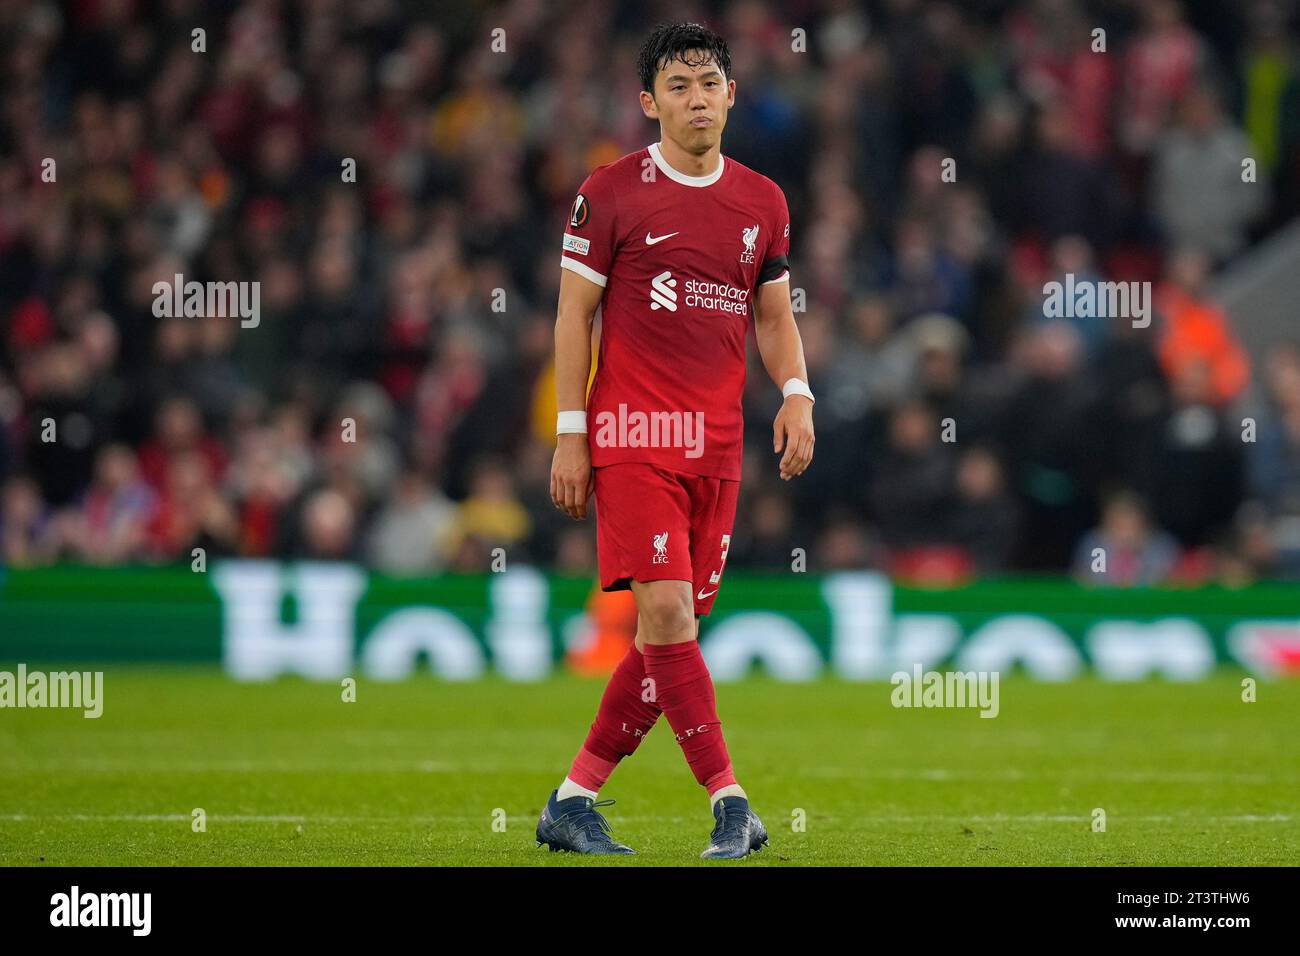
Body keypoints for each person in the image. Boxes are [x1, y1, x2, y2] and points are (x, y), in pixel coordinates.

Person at [540, 21, 814, 859]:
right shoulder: (611, 192)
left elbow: (773, 316)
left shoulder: (763, 202)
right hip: (631, 435)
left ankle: (572, 799)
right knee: (664, 613)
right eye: (678, 86)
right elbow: (573, 314)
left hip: (718, 446)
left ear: (730, 95)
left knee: (674, 632)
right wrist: (571, 434)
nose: (696, 100)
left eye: (709, 84)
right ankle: (733, 805)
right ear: (649, 101)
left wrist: (798, 393)